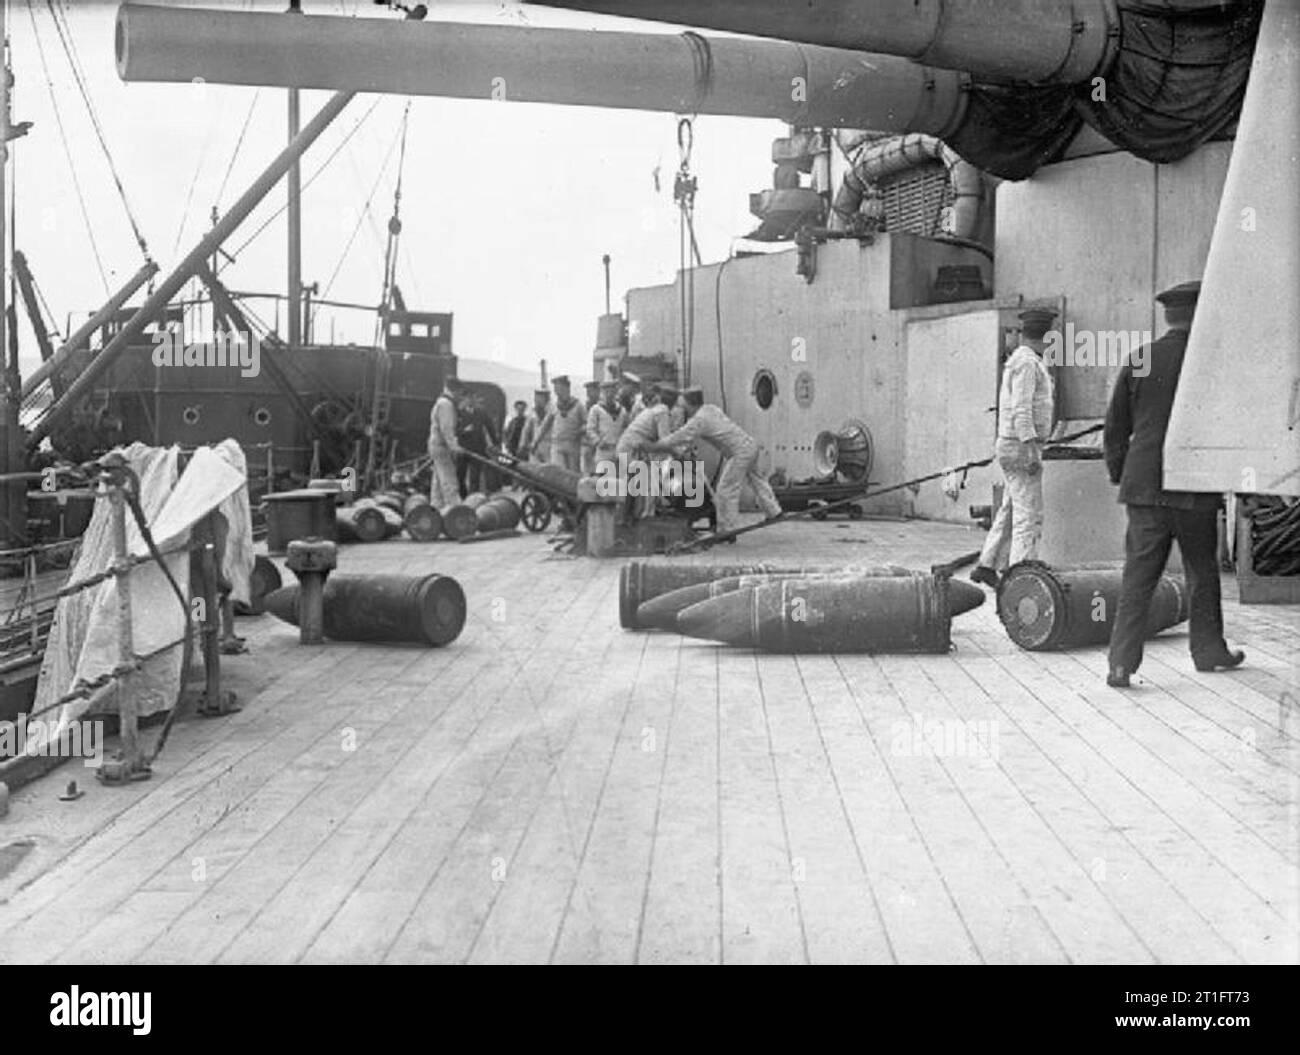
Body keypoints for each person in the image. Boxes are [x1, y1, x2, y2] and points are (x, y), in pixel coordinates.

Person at [1102, 280, 1243, 687]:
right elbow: (1225, 427)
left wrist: (1120, 474)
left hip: (1144, 485)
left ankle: (1120, 664)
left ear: (1168, 316)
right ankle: (1209, 651)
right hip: (1194, 484)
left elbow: (1115, 428)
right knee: (1202, 570)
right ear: (1199, 315)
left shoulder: (1141, 358)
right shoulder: (1210, 363)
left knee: (1139, 576)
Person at [970, 307, 1057, 588]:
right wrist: (1032, 450)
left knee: (1010, 508)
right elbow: (1022, 410)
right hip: (1021, 447)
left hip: (1013, 445)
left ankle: (987, 564)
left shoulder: (1021, 360)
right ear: (1047, 336)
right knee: (1029, 515)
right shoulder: (1028, 363)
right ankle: (1021, 577)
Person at [647, 387, 783, 535]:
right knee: (757, 481)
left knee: (726, 490)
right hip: (750, 445)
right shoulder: (711, 409)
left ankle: (727, 530)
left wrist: (656, 445)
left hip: (740, 453)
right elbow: (692, 435)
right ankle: (774, 511)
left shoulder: (699, 420)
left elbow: (680, 436)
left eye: (683, 405)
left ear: (690, 404)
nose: (682, 408)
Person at [533, 375, 586, 471]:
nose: (557, 391)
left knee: (573, 472)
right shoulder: (554, 406)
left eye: (559, 388)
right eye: (556, 388)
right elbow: (544, 426)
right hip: (557, 444)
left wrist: (580, 431)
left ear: (567, 388)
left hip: (573, 444)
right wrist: (535, 442)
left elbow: (587, 424)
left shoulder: (578, 405)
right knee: (558, 471)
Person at [427, 375, 463, 508]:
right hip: (442, 446)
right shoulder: (446, 404)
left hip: (436, 445)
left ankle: (436, 507)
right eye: (460, 393)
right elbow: (446, 428)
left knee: (438, 481)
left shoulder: (441, 402)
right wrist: (454, 446)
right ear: (456, 390)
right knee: (449, 480)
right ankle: (455, 509)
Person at [455, 393, 499, 498]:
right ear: (463, 399)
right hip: (462, 449)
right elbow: (451, 430)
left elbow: (490, 427)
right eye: (468, 398)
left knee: (475, 477)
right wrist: (463, 431)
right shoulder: (457, 412)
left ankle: (473, 499)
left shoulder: (481, 412)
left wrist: (495, 443)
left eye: (472, 398)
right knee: (460, 476)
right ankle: (463, 497)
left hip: (477, 449)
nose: (470, 400)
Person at [586, 380, 628, 469]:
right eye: (607, 391)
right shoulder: (596, 409)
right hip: (603, 451)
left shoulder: (622, 410)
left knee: (620, 479)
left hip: (619, 450)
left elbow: (626, 429)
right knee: (603, 479)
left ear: (616, 392)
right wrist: (598, 441)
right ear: (602, 392)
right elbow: (590, 429)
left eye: (612, 391)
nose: (610, 394)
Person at [519, 388, 549, 462]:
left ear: (546, 400)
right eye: (537, 398)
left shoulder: (552, 413)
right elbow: (525, 431)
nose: (538, 401)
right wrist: (522, 445)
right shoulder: (532, 414)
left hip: (549, 449)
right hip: (535, 449)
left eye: (541, 398)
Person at [581, 380, 602, 473]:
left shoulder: (602, 406)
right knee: (588, 471)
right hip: (587, 444)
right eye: (587, 391)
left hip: (599, 444)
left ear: (598, 391)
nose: (588, 394)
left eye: (591, 391)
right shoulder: (587, 405)